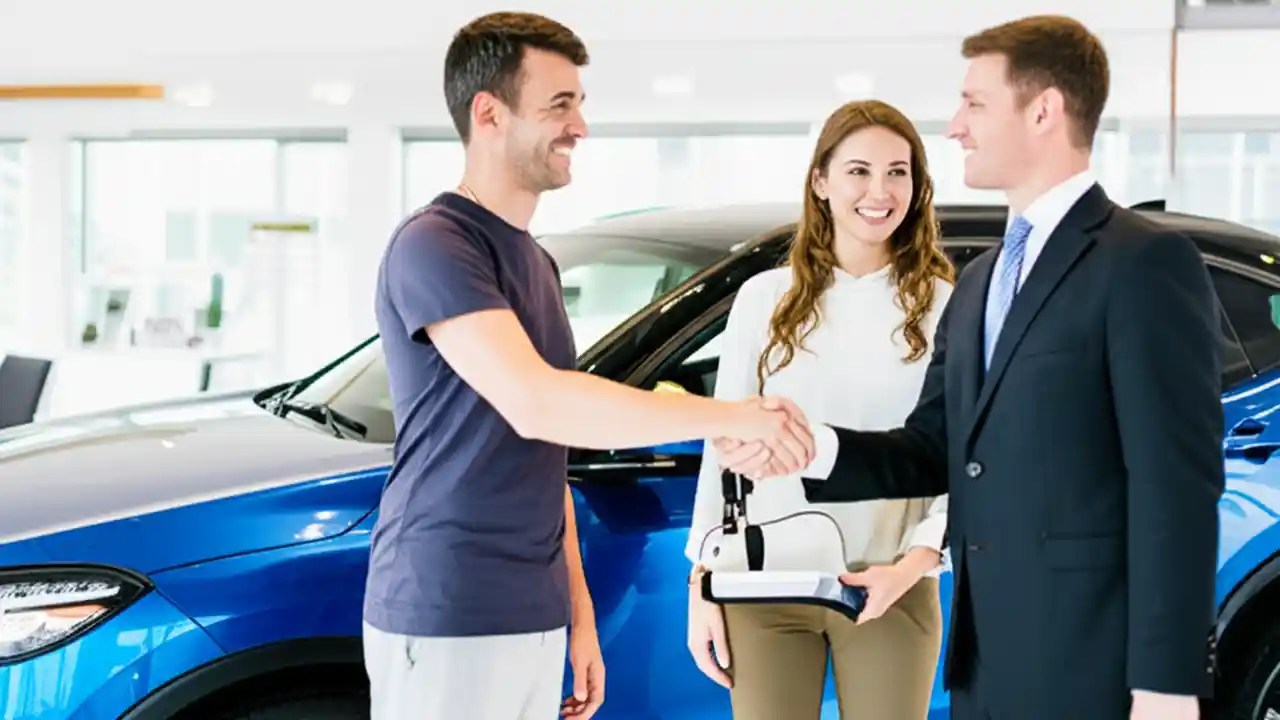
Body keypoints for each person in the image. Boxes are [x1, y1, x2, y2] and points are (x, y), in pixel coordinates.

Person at [718, 14, 1222, 720]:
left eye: (974, 104)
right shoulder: (982, 282)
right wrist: (811, 447)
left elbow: (1177, 486)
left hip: (1091, 665)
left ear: (1042, 111)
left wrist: (1167, 685)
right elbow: (935, 448)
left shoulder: (1143, 261)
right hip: (985, 666)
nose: (955, 127)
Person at [361, 11, 814, 720]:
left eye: (578, 104)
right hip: (449, 606)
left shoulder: (535, 261)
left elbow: (550, 455)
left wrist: (577, 615)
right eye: (559, 105)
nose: (580, 127)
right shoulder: (436, 244)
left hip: (532, 610)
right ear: (489, 113)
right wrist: (732, 417)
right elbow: (538, 403)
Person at [684, 99, 954, 719]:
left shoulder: (945, 305)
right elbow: (721, 450)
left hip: (889, 586)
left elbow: (957, 454)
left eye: (897, 172)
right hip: (762, 586)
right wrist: (701, 581)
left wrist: (916, 564)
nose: (879, 192)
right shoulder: (763, 300)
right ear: (820, 182)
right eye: (858, 171)